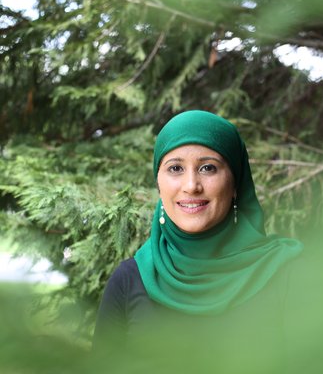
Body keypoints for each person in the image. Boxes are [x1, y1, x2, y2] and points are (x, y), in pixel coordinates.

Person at [93, 110, 303, 371]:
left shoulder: (287, 274)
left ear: (235, 183)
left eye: (208, 168)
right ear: (159, 183)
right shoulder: (129, 280)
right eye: (175, 168)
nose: (191, 185)